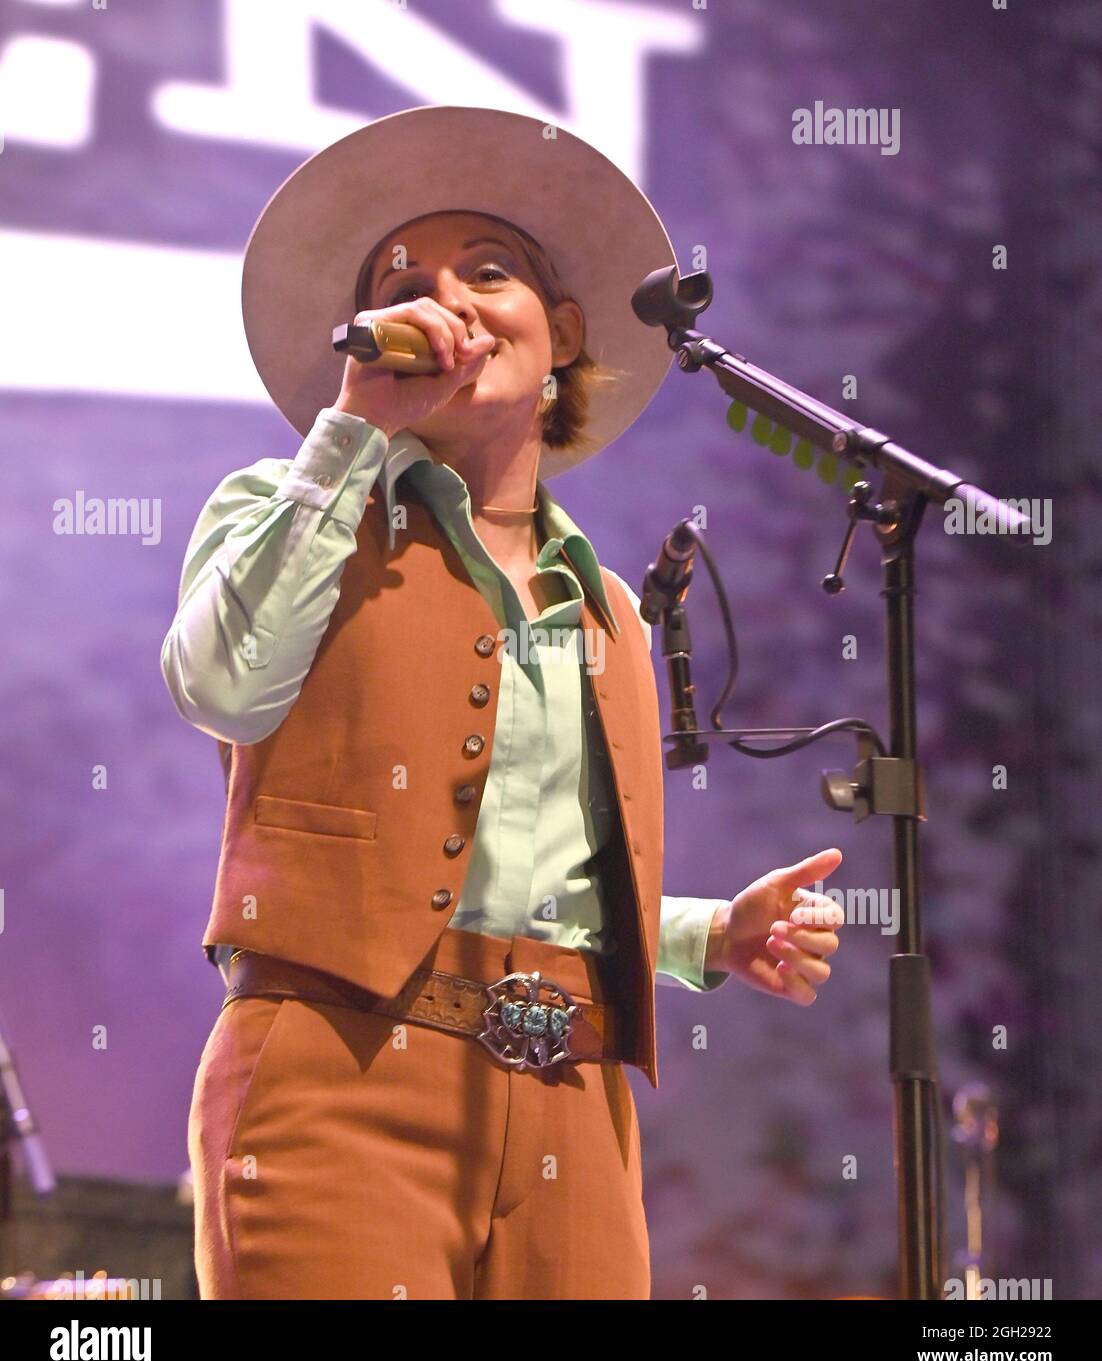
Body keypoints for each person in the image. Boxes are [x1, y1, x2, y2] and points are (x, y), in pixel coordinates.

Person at [161, 105, 846, 1300]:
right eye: (406, 281)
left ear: (566, 330)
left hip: (571, 1095)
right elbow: (221, 683)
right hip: (340, 1070)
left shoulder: (608, 610)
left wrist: (701, 938)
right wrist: (353, 433)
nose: (448, 299)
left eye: (489, 270)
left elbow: (523, 868)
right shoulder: (292, 505)